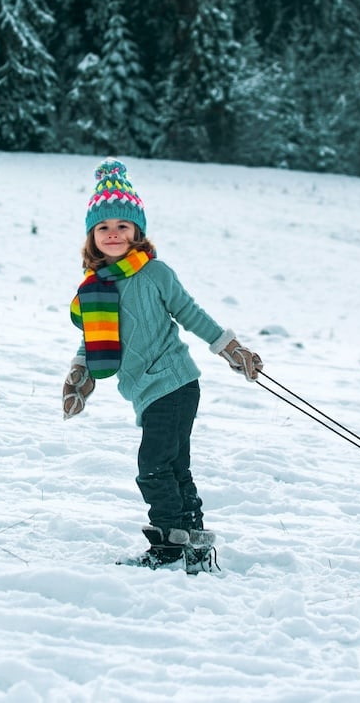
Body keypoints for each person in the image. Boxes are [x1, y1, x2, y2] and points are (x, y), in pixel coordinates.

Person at [63, 158, 262, 573]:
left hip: (174, 384)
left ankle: (169, 545)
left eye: (123, 226)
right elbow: (95, 339)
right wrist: (79, 377)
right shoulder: (95, 288)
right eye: (104, 227)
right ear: (92, 237)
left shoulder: (153, 273)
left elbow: (190, 313)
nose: (113, 234)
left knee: (152, 468)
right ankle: (194, 542)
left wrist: (229, 348)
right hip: (146, 390)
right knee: (173, 467)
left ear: (137, 232)